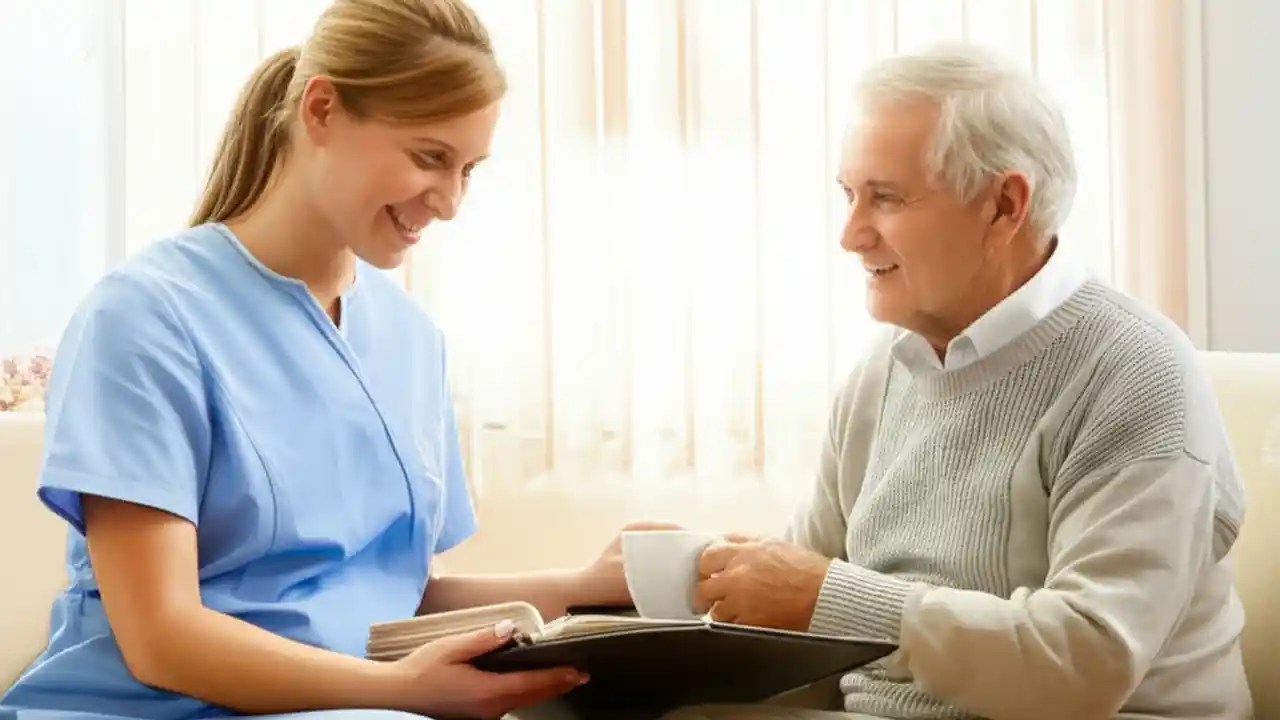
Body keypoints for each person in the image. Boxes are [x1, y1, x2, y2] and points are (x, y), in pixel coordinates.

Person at [0, 1, 649, 718]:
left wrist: (584, 585)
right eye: (430, 157)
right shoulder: (145, 317)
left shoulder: (409, 339)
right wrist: (401, 691)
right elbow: (161, 638)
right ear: (322, 110)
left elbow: (388, 595)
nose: (452, 201)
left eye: (469, 168)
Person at [663, 44, 1252, 720]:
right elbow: (800, 607)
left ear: (1004, 205)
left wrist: (828, 597)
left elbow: (1085, 665)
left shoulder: (1136, 374)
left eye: (885, 198)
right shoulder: (880, 374)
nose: (851, 235)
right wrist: (679, 601)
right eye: (849, 196)